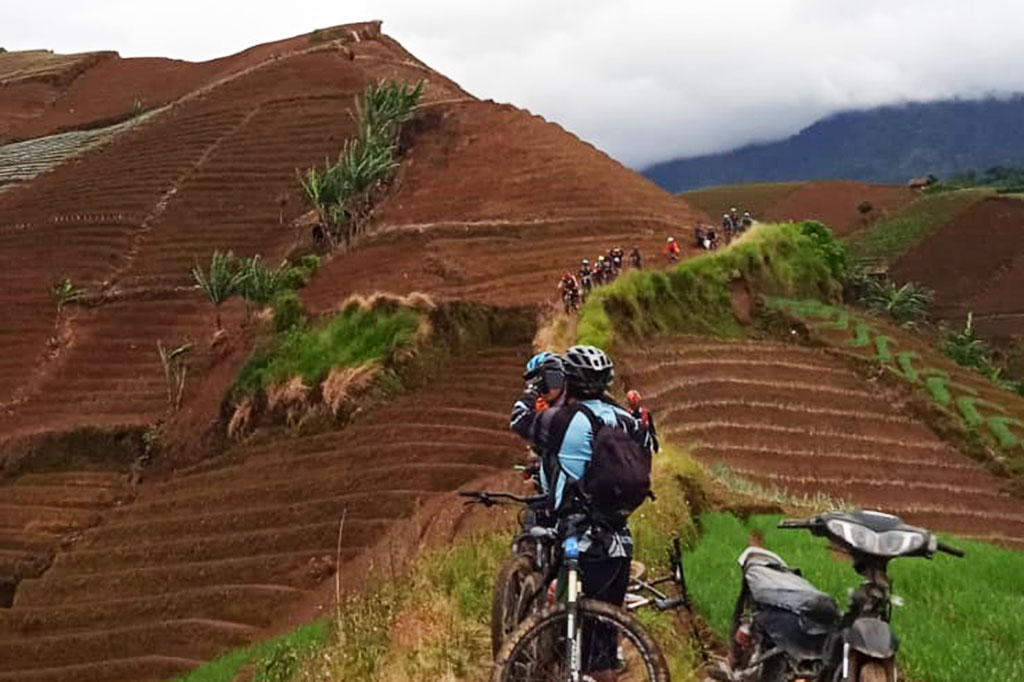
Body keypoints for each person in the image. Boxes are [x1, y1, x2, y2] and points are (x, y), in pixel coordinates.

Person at [537, 345, 649, 680]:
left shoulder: (565, 420)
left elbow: (554, 478)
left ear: (568, 382)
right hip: (619, 540)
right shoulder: (626, 420)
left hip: (579, 538)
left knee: (569, 623)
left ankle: (556, 660)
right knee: (603, 646)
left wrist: (552, 512)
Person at [625, 389, 659, 456]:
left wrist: (655, 442)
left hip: (645, 447)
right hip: (632, 449)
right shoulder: (627, 415)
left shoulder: (645, 413)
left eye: (635, 403)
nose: (634, 406)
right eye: (632, 404)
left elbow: (651, 429)